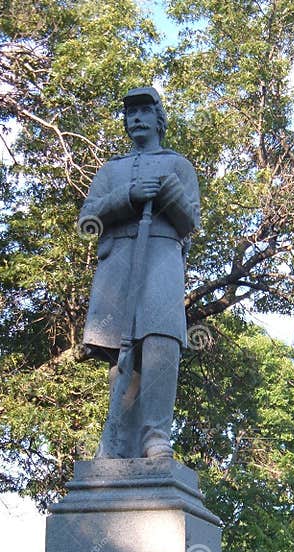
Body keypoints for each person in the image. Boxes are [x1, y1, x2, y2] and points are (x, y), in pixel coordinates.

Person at [80, 86, 200, 459]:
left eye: (145, 111)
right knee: (123, 350)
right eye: (130, 113)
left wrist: (167, 193)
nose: (136, 118)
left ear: (159, 119)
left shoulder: (178, 165)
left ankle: (155, 437)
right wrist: (129, 196)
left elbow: (190, 221)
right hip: (119, 260)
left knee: (161, 339)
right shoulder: (111, 170)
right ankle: (116, 439)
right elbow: (87, 220)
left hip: (162, 255)